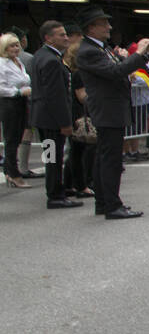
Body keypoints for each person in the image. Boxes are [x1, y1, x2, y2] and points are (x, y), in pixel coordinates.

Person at [76, 8, 149, 218]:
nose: (109, 27)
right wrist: (138, 54)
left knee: (105, 157)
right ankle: (111, 205)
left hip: (111, 108)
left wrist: (136, 57)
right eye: (103, 23)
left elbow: (119, 69)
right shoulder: (89, 50)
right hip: (107, 109)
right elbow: (115, 72)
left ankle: (104, 202)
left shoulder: (102, 48)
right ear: (91, 27)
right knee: (110, 159)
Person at [28, 20, 81, 208]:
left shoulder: (41, 56)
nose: (66, 38)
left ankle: (56, 189)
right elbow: (55, 96)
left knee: (51, 157)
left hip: (44, 117)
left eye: (65, 34)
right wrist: (65, 122)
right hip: (51, 120)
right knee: (53, 158)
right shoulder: (50, 60)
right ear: (48, 38)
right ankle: (55, 195)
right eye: (61, 35)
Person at [64, 34, 95, 199]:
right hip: (78, 116)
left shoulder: (77, 73)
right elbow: (82, 96)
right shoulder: (78, 74)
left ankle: (70, 183)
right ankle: (80, 185)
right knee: (78, 152)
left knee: (76, 152)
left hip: (76, 115)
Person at [1, 33, 34, 189]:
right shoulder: (2, 64)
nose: (16, 48)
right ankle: (13, 173)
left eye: (17, 45)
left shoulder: (18, 62)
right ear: (4, 48)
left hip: (21, 102)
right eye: (12, 45)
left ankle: (11, 171)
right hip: (9, 103)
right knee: (11, 139)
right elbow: (1, 88)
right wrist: (18, 92)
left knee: (18, 136)